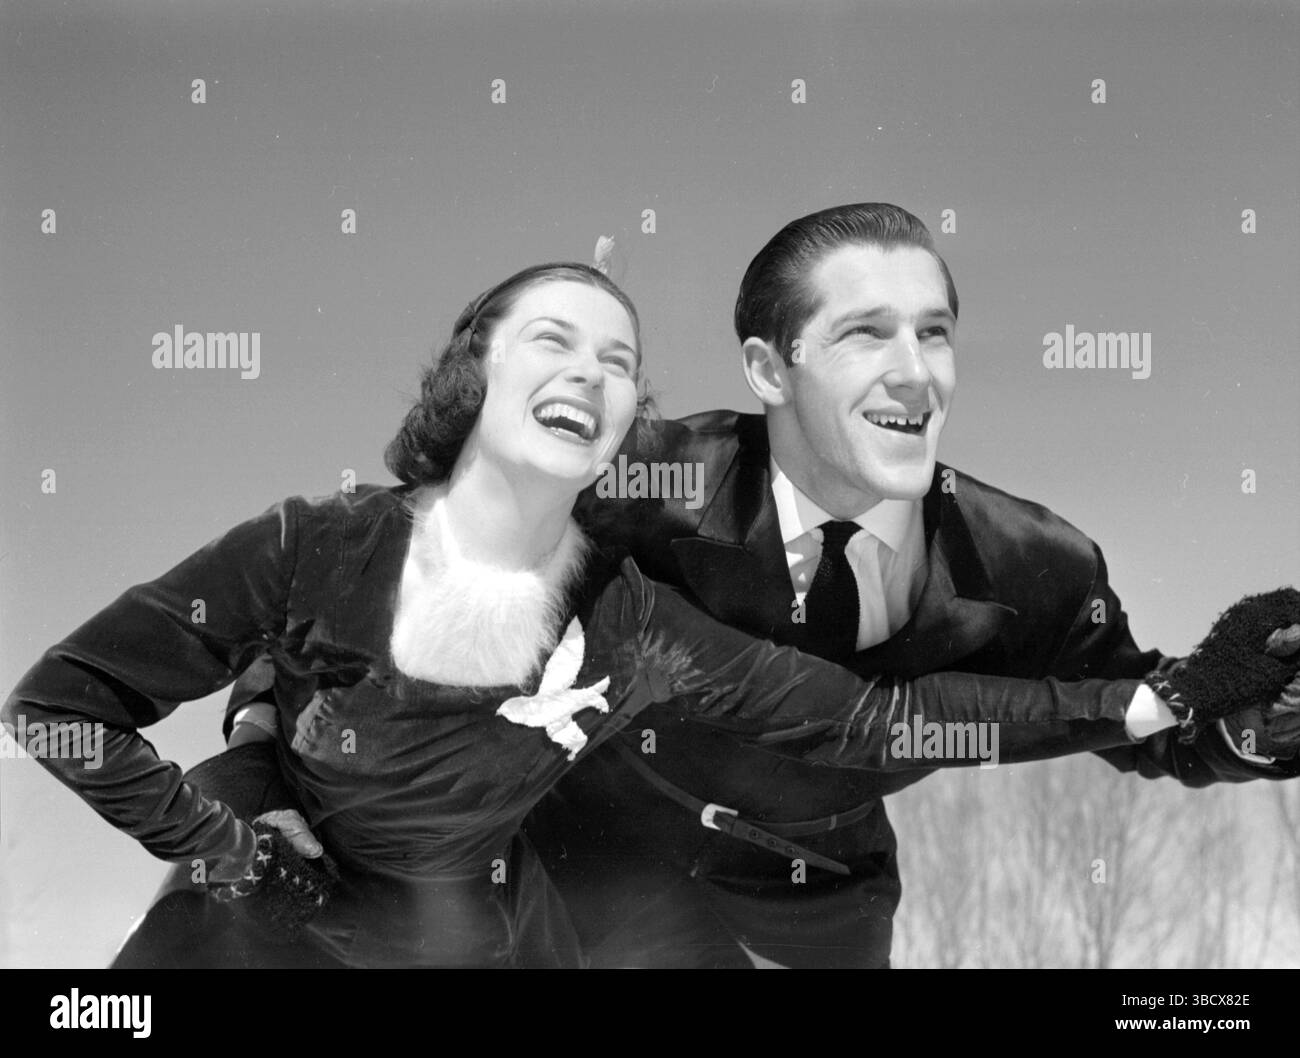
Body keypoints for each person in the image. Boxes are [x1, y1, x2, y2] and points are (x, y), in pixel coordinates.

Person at [11, 261, 1288, 969]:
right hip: (253, 924)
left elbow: (878, 717)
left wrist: (1164, 696)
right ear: (474, 373)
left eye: (619, 362)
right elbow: (54, 711)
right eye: (552, 342)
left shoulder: (630, 622)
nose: (592, 373)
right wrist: (230, 826)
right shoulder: (313, 543)